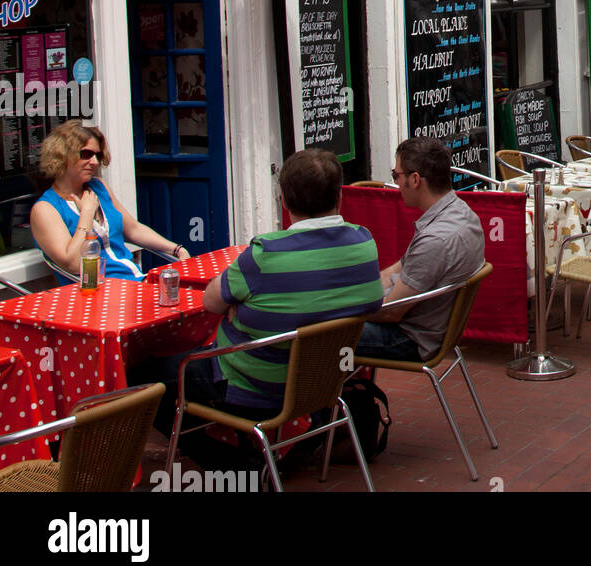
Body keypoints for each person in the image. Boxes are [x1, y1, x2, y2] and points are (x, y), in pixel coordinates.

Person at [134, 148, 383, 428]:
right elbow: (372, 302)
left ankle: (231, 461)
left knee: (141, 377)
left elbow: (211, 303)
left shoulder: (265, 254)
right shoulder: (363, 243)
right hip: (328, 379)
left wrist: (241, 309)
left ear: (284, 201)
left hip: (255, 387)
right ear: (340, 196)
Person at [357, 136, 485, 362]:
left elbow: (391, 312)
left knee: (324, 334)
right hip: (432, 330)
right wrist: (360, 293)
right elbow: (398, 268)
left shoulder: (435, 240)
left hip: (410, 340)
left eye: (396, 176)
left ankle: (334, 390)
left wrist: (342, 309)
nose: (395, 183)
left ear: (415, 179)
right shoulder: (462, 213)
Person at [31, 121, 189, 283]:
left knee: (199, 292)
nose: (94, 162)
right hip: (100, 294)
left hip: (135, 281)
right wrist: (86, 214)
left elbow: (133, 229)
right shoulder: (46, 209)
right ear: (62, 155)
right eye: (86, 154)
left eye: (97, 156)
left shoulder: (99, 187)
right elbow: (72, 263)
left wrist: (176, 249)